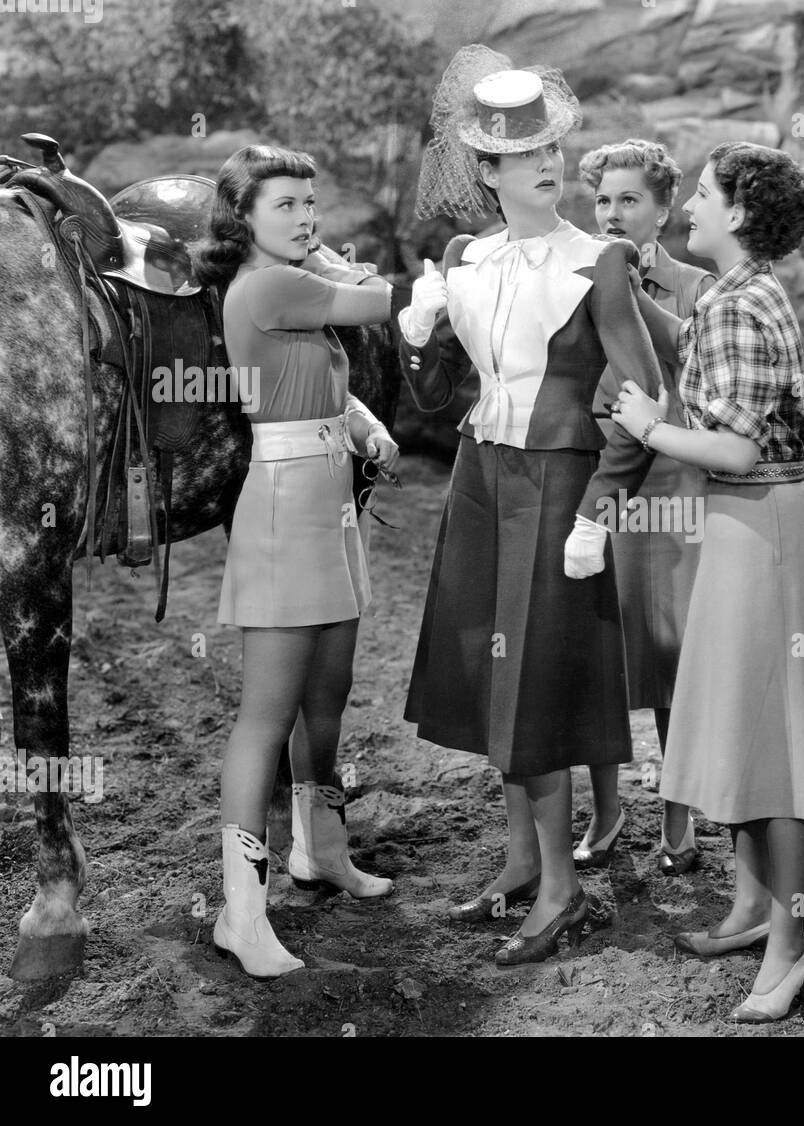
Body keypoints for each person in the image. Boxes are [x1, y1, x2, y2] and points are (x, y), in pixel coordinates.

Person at [399, 46, 663, 966]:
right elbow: (435, 402)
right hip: (481, 477)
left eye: (552, 144)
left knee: (536, 683)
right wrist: (419, 332)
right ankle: (521, 861)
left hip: (559, 490)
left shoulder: (605, 261)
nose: (547, 162)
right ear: (488, 170)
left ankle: (562, 888)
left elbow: (641, 395)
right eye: (522, 153)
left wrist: (600, 506)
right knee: (487, 669)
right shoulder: (462, 257)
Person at [613, 142, 804, 1022]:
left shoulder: (745, 306)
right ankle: (753, 909)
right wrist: (628, 287)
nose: (689, 207)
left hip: (758, 524)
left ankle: (791, 945)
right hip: (737, 525)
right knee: (748, 731)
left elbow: (738, 446)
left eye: (705, 194)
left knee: (776, 752)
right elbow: (695, 341)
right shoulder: (727, 296)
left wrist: (650, 426)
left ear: (741, 214)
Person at [193, 144, 398, 979]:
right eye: (285, 206)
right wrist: (332, 262)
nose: (305, 218)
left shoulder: (288, 289)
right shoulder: (271, 282)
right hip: (283, 510)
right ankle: (242, 914)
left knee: (329, 692)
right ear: (242, 218)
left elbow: (311, 376)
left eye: (310, 204)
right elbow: (379, 302)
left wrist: (360, 423)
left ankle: (321, 851)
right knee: (266, 714)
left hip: (330, 504)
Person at [573, 138, 715, 876]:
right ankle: (605, 813)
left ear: (663, 209)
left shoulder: (696, 288)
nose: (613, 212)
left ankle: (678, 822)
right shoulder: (576, 278)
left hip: (668, 488)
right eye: (602, 199)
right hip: (591, 482)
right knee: (598, 654)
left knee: (666, 652)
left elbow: (697, 389)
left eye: (630, 199)